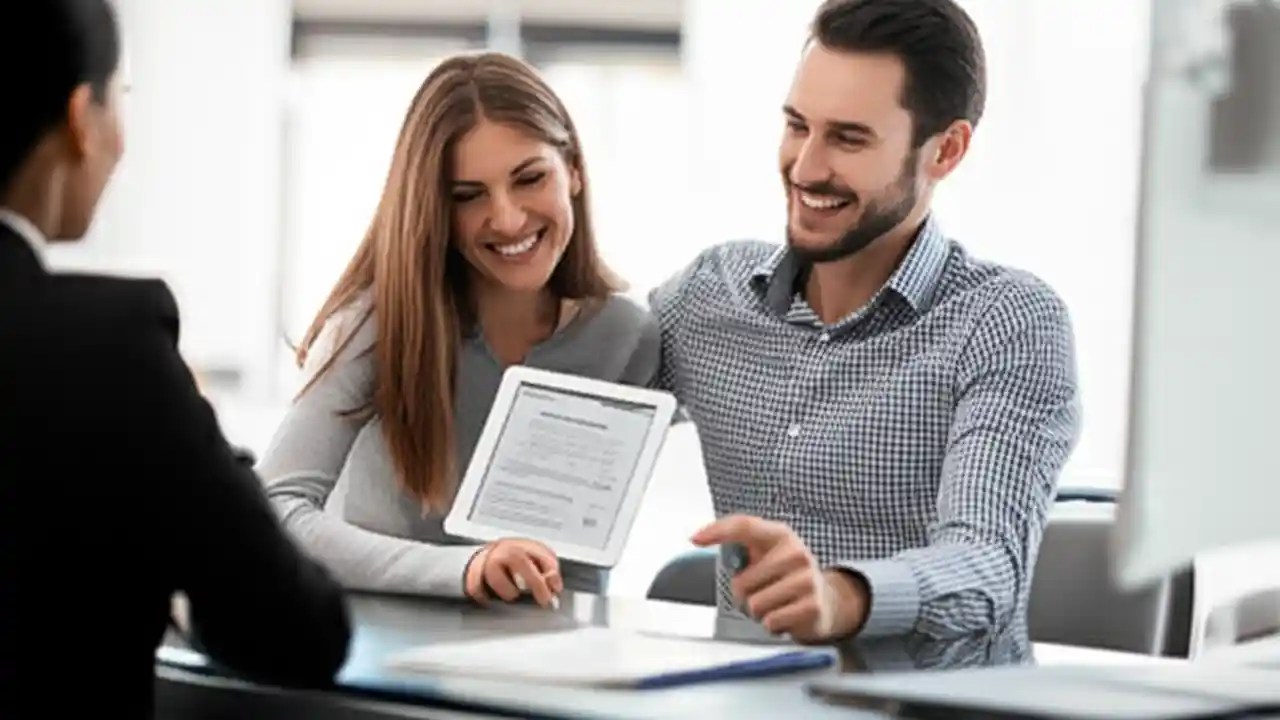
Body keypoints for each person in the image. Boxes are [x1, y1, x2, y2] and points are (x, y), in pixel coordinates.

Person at [653, 0, 1081, 644]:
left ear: (947, 150)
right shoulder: (709, 296)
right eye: (798, 126)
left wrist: (842, 595)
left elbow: (989, 565)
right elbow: (562, 402)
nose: (805, 167)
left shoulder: (1007, 321)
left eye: (848, 138)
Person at [0, 1, 351, 715]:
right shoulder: (110, 348)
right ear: (79, 116)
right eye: (118, 100)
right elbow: (294, 630)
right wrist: (201, 440)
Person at [256, 52, 659, 609]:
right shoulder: (376, 323)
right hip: (378, 654)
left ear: (574, 170)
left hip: (541, 662)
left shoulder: (627, 336)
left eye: (530, 178)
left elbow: (581, 571)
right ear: (435, 209)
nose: (509, 219)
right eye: (468, 196)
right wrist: (465, 568)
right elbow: (276, 509)